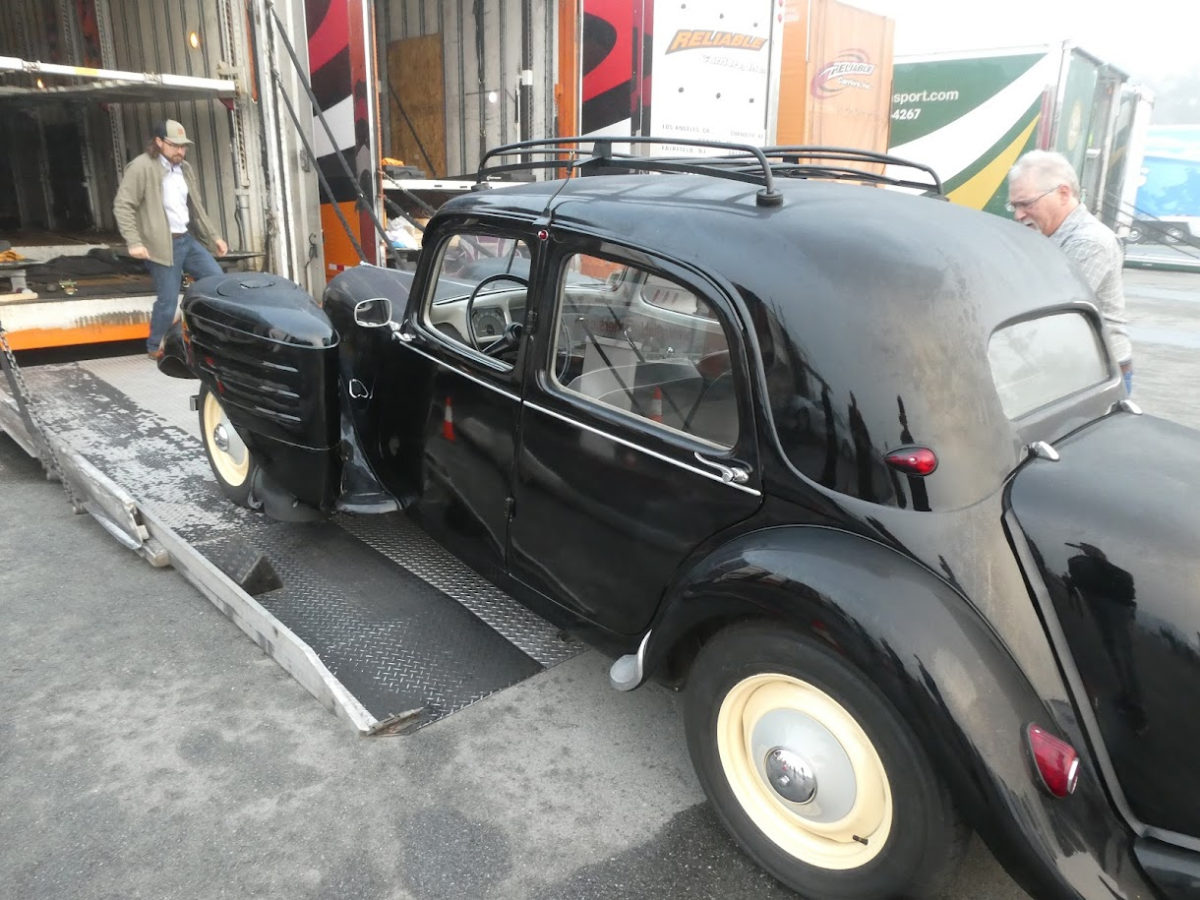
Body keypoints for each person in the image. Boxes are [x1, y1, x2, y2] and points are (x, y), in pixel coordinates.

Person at [1007, 150, 1133, 392]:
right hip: (1067, 365)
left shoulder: (1091, 243)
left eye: (1026, 203)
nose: (1018, 214)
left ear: (1063, 193)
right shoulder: (1046, 234)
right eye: (1014, 205)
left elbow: (1052, 309)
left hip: (1098, 375)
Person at [113, 119, 228, 359]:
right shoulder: (141, 167)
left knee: (216, 281)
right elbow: (123, 206)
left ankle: (184, 320)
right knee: (167, 301)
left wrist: (213, 237)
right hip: (162, 244)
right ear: (158, 142)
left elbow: (196, 207)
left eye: (183, 146)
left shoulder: (184, 168)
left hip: (186, 239)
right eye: (174, 145)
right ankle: (154, 346)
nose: (180, 151)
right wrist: (134, 242)